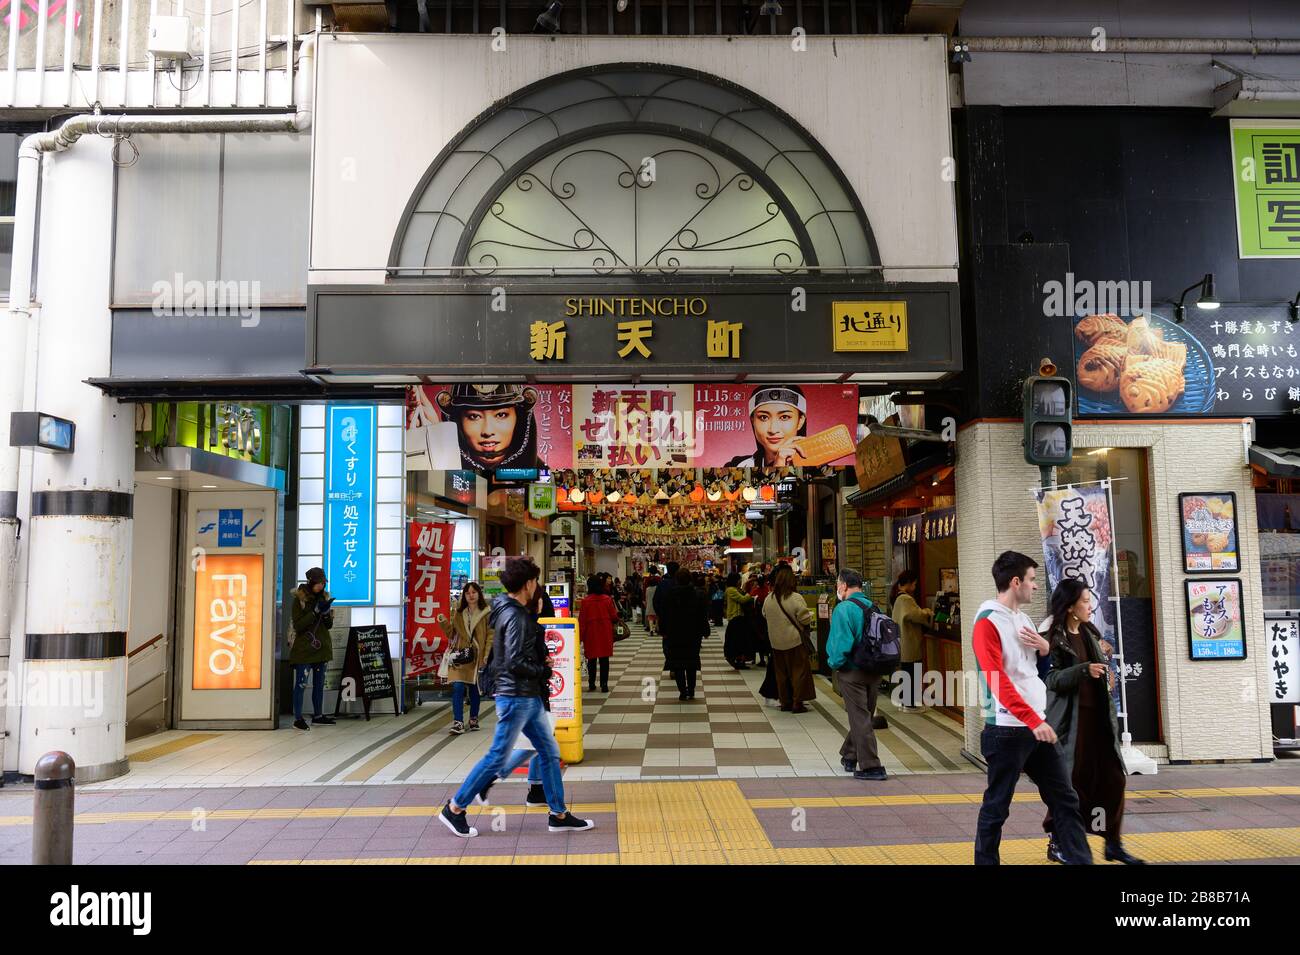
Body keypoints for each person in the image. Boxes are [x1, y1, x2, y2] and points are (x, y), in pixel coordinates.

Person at [439, 557, 594, 838]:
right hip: (516, 695)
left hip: (526, 695)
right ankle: (455, 807)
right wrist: (543, 668)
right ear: (529, 584)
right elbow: (513, 660)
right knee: (497, 756)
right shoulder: (515, 616)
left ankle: (558, 814)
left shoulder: (511, 610)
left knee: (548, 751)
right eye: (535, 581)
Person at [972, 551, 1093, 865]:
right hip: (1006, 730)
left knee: (1065, 798)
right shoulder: (987, 621)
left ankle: (1082, 860)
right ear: (1015, 582)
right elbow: (996, 680)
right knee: (997, 806)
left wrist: (1043, 652)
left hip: (1037, 725)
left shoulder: (1023, 619)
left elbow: (1036, 676)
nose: (1036, 586)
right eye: (1032, 580)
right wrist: (1031, 719)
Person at [1041, 579, 1145, 865]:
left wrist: (1101, 670)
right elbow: (1051, 680)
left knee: (1112, 780)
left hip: (1098, 722)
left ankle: (1112, 842)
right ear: (1071, 606)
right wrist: (1084, 670)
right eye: (1085, 601)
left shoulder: (1089, 631)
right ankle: (1058, 841)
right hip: (1071, 725)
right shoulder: (1055, 638)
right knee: (1071, 785)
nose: (1090, 605)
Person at [825, 569, 886, 780]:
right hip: (874, 670)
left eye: (837, 585)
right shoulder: (873, 606)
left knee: (860, 719)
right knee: (864, 716)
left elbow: (840, 646)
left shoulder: (843, 609)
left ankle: (871, 766)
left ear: (843, 586)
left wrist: (835, 664)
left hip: (852, 672)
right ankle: (850, 755)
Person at [430, 383, 543, 476]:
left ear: (519, 419)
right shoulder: (440, 469)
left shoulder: (541, 473)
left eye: (501, 415)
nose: (488, 431)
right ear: (457, 422)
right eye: (474, 416)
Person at [288, 567, 337, 732]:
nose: (321, 587)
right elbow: (299, 625)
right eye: (318, 583)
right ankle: (298, 718)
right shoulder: (300, 599)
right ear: (310, 582)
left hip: (321, 647)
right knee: (301, 684)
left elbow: (328, 626)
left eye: (323, 583)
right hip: (304, 649)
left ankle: (318, 715)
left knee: (318, 684)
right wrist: (315, 612)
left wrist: (326, 614)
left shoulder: (324, 597)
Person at [440, 581, 493, 735]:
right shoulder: (458, 612)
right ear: (464, 595)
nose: (471, 595)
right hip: (460, 654)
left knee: (474, 688)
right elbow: (451, 633)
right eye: (468, 593)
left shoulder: (486, 613)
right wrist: (443, 622)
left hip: (477, 655)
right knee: (457, 687)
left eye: (473, 592)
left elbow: (490, 636)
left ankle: (474, 718)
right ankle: (458, 722)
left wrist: (486, 655)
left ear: (479, 594)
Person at [762, 564, 816, 713]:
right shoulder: (795, 597)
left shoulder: (769, 598)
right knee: (798, 671)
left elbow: (764, 614)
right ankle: (797, 702)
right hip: (794, 641)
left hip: (776, 642)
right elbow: (804, 618)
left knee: (781, 673)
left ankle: (784, 701)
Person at [724, 386, 809, 467]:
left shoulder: (819, 467)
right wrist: (778, 467)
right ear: (752, 421)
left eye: (784, 417)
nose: (773, 429)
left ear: (800, 421)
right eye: (763, 417)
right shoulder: (738, 466)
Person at [660, 568, 710, 700]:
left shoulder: (670, 595)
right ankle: (692, 690)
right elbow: (702, 615)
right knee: (691, 662)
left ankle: (682, 691)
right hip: (693, 634)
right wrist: (705, 630)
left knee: (678, 663)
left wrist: (663, 630)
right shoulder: (697, 594)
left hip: (674, 633)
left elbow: (664, 615)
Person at [890, 570, 932, 711]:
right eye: (914, 584)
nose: (915, 587)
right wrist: (928, 612)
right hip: (909, 643)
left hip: (902, 642)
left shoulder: (897, 597)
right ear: (907, 583)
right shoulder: (906, 599)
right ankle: (910, 704)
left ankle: (905, 703)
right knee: (912, 673)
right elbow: (916, 615)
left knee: (906, 673)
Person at [578, 575, 618, 694]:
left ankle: (591, 683)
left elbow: (582, 621)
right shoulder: (607, 599)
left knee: (591, 659)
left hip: (591, 634)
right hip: (605, 633)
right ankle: (604, 684)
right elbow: (614, 616)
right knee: (604, 660)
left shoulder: (585, 602)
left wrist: (580, 637)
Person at [722, 572, 756, 669]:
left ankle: (740, 659)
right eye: (739, 579)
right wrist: (751, 592)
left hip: (739, 617)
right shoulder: (731, 590)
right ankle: (736, 659)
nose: (740, 581)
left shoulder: (736, 589)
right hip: (735, 617)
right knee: (736, 640)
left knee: (740, 640)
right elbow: (742, 599)